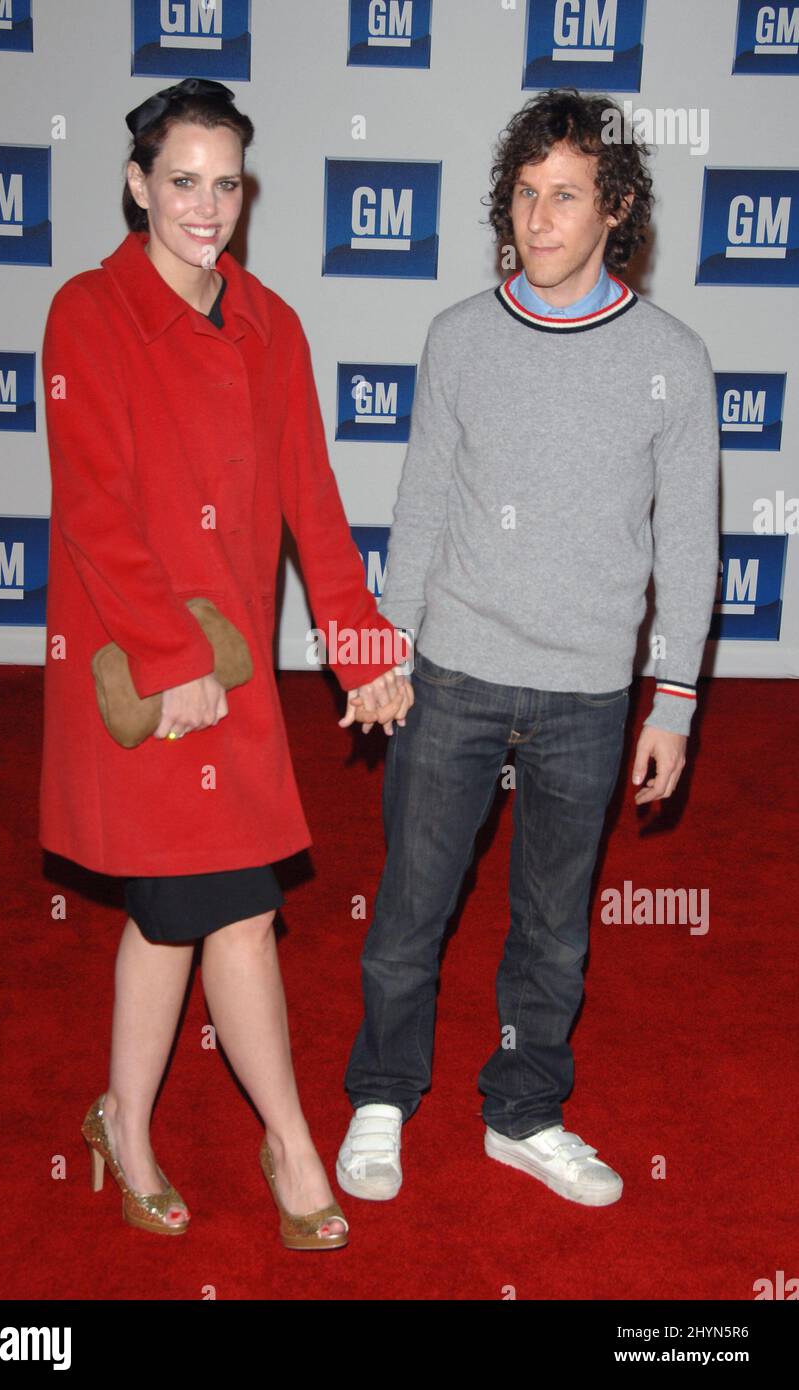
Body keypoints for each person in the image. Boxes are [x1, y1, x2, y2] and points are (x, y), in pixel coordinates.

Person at [38, 78, 412, 1248]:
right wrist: (167, 657)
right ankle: (284, 1141)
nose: (209, 206)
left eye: (229, 182)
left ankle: (123, 1118)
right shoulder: (87, 315)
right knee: (224, 908)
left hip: (235, 681)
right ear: (138, 185)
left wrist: (359, 643)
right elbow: (93, 513)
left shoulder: (272, 323)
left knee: (175, 913)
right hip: (144, 677)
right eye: (184, 181)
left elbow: (314, 498)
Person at [337, 87, 720, 1207]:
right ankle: (381, 1092)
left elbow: (689, 548)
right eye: (524, 194)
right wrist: (384, 651)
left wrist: (675, 703)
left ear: (617, 212)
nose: (539, 219)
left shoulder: (673, 359)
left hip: (592, 695)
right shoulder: (457, 336)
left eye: (566, 197)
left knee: (553, 929)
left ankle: (524, 1109)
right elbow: (418, 511)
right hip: (452, 674)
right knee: (411, 906)